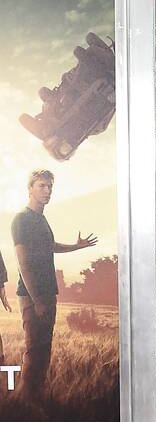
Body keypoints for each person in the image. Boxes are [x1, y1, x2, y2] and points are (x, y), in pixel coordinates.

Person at [11, 170, 97, 401]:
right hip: (32, 295)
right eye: (42, 186)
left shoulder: (40, 219)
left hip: (49, 292)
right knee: (35, 349)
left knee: (44, 348)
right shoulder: (22, 219)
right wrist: (37, 299)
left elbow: (51, 246)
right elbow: (23, 262)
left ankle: (35, 397)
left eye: (50, 187)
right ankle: (25, 401)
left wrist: (77, 247)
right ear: (30, 188)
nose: (47, 191)